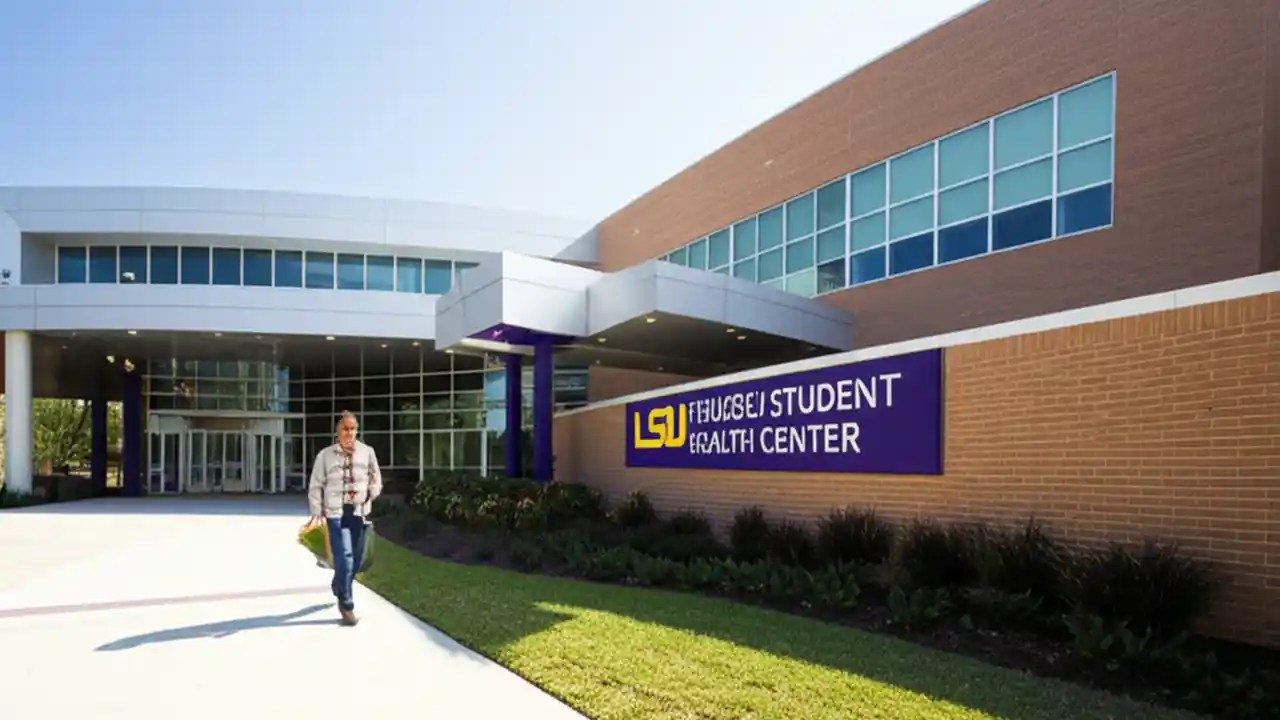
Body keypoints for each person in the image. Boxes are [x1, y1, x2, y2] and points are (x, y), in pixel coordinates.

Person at [306, 411, 382, 626]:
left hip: (358, 512)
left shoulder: (367, 452)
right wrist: (316, 510)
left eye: (352, 428)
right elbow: (316, 484)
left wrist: (371, 493)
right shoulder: (325, 455)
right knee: (345, 557)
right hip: (335, 513)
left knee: (356, 560)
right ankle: (346, 605)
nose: (349, 433)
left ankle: (339, 583)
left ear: (357, 431)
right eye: (345, 429)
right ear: (337, 432)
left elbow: (376, 478)